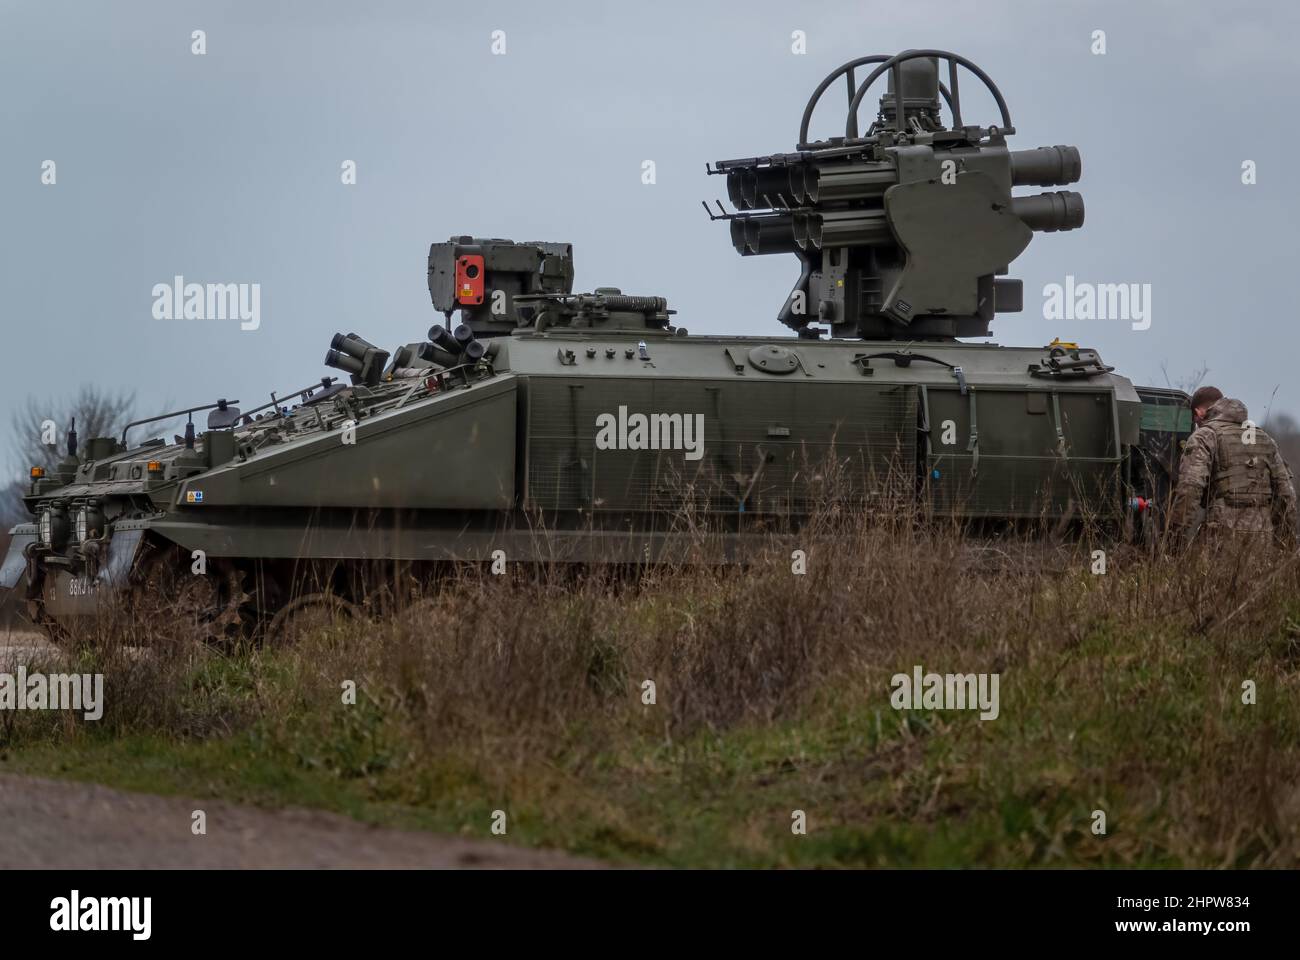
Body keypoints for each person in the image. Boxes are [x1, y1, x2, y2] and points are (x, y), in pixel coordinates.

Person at [1170, 386, 1296, 548]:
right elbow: (1286, 495)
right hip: (1263, 539)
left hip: (1221, 537)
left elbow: (1190, 487)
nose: (1197, 424)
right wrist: (1286, 542)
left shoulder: (1205, 436)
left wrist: (1175, 537)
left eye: (1195, 421)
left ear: (1199, 413)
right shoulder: (1265, 438)